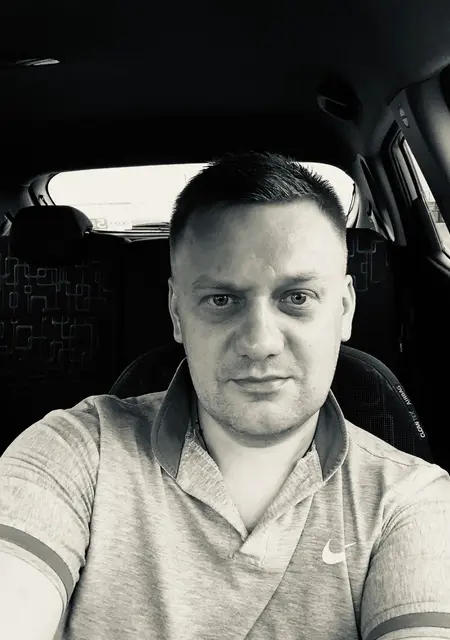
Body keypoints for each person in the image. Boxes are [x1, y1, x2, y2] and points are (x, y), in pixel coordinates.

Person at [0, 151, 449, 640]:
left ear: (343, 310)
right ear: (177, 313)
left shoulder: (409, 500)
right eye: (221, 299)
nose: (260, 342)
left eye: (297, 297)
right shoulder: (74, 451)